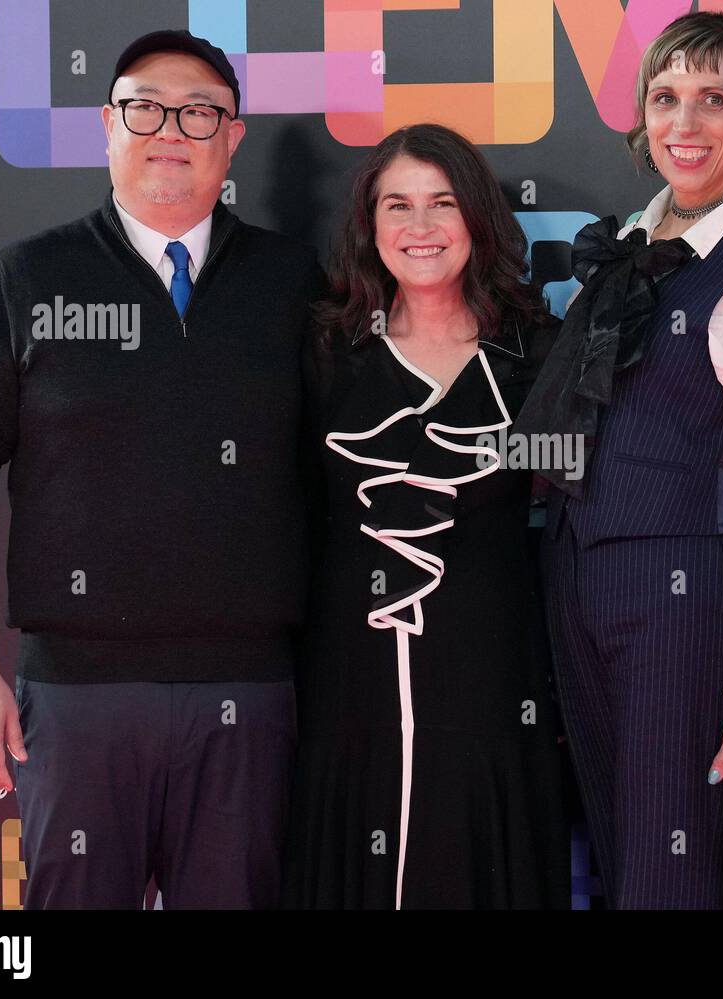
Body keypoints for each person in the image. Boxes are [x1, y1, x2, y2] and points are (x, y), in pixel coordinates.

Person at [0, 29, 326, 909]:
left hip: (248, 694)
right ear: (108, 125)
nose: (170, 129)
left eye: (199, 112)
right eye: (145, 107)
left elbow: (338, 476)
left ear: (234, 137)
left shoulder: (297, 283)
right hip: (75, 699)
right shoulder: (25, 277)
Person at [516, 11, 723, 908]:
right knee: (625, 870)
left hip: (685, 614)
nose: (685, 125)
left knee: (675, 883)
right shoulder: (628, 255)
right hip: (578, 590)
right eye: (666, 99)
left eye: (713, 100)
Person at [281, 123, 569, 910]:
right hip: (351, 677)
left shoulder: (536, 350)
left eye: (442, 203)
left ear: (476, 217)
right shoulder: (328, 349)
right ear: (369, 226)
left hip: (492, 672)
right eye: (397, 206)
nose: (419, 227)